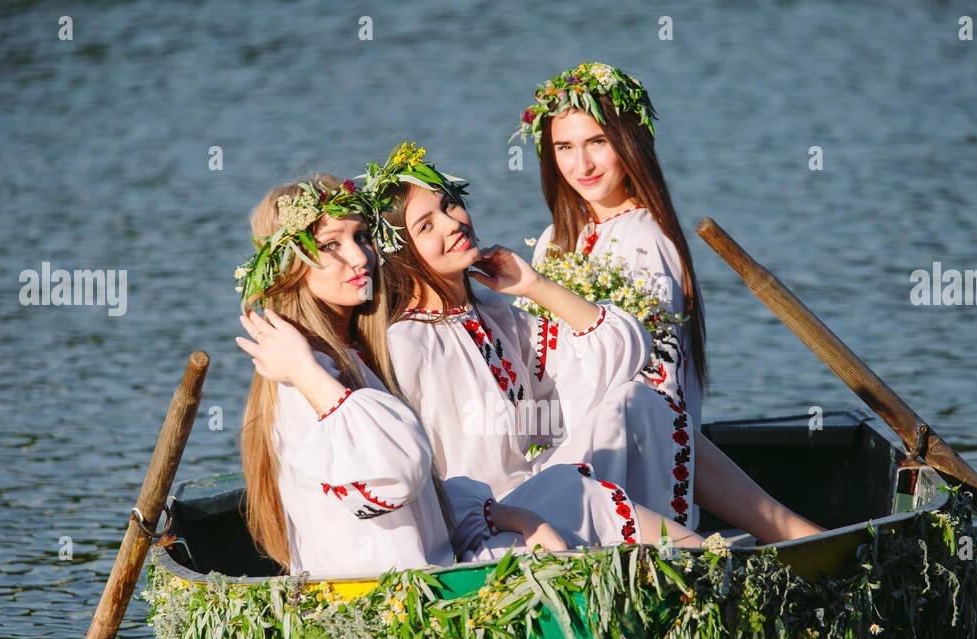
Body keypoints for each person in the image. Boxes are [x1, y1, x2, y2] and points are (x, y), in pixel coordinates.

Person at [235, 176, 697, 579]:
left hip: (461, 535)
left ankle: (718, 563)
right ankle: (716, 572)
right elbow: (398, 475)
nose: (359, 257)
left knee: (623, 424)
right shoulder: (314, 373)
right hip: (406, 600)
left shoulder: (366, 354)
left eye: (361, 237)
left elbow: (619, 356)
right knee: (584, 483)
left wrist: (535, 286)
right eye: (331, 244)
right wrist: (306, 373)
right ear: (288, 265)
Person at [365, 143, 820, 545]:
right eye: (425, 226)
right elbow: (417, 482)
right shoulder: (406, 343)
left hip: (538, 488)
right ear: (398, 252)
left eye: (449, 205)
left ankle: (795, 536)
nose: (451, 223)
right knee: (568, 488)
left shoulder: (493, 315)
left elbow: (626, 349)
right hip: (490, 522)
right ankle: (712, 566)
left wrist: (535, 285)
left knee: (638, 400)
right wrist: (498, 515)